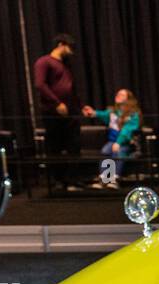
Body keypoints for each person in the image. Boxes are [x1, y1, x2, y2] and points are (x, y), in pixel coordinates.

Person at [34, 34, 95, 190]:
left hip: (71, 111)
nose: (72, 52)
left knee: (74, 145)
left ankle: (72, 179)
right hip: (53, 112)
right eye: (70, 47)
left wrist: (82, 106)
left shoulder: (66, 66)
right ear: (61, 44)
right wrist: (57, 103)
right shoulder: (44, 61)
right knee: (55, 145)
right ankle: (57, 181)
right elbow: (40, 84)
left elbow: (72, 90)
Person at [88, 89, 142, 189]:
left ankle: (114, 179)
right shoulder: (113, 111)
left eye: (121, 95)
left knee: (118, 152)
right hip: (112, 142)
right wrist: (93, 113)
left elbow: (127, 130)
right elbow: (103, 114)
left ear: (128, 99)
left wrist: (118, 142)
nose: (118, 96)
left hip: (125, 143)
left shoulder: (133, 114)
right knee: (105, 150)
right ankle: (105, 180)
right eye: (117, 94)